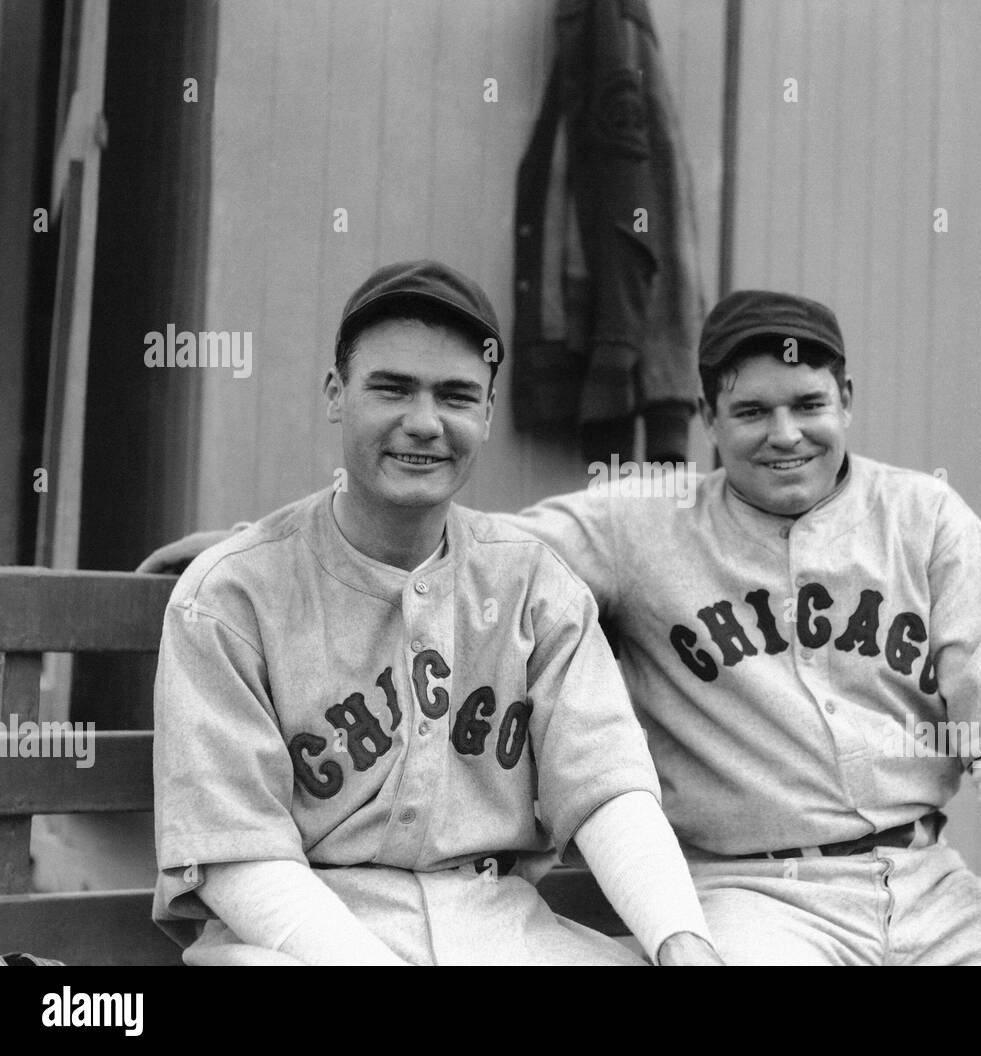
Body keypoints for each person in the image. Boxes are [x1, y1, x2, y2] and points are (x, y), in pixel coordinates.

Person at [145, 286, 981, 966]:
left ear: (848, 400)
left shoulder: (929, 521)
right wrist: (263, 545)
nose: (783, 434)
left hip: (928, 874)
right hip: (759, 897)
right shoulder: (636, 524)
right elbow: (454, 538)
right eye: (750, 411)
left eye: (807, 404)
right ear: (708, 417)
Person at [150, 259, 721, 966]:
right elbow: (238, 854)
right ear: (336, 394)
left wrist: (679, 940)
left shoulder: (534, 583)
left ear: (485, 415)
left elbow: (607, 790)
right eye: (392, 389)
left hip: (501, 925)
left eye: (455, 396)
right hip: (306, 933)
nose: (424, 423)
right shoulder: (231, 596)